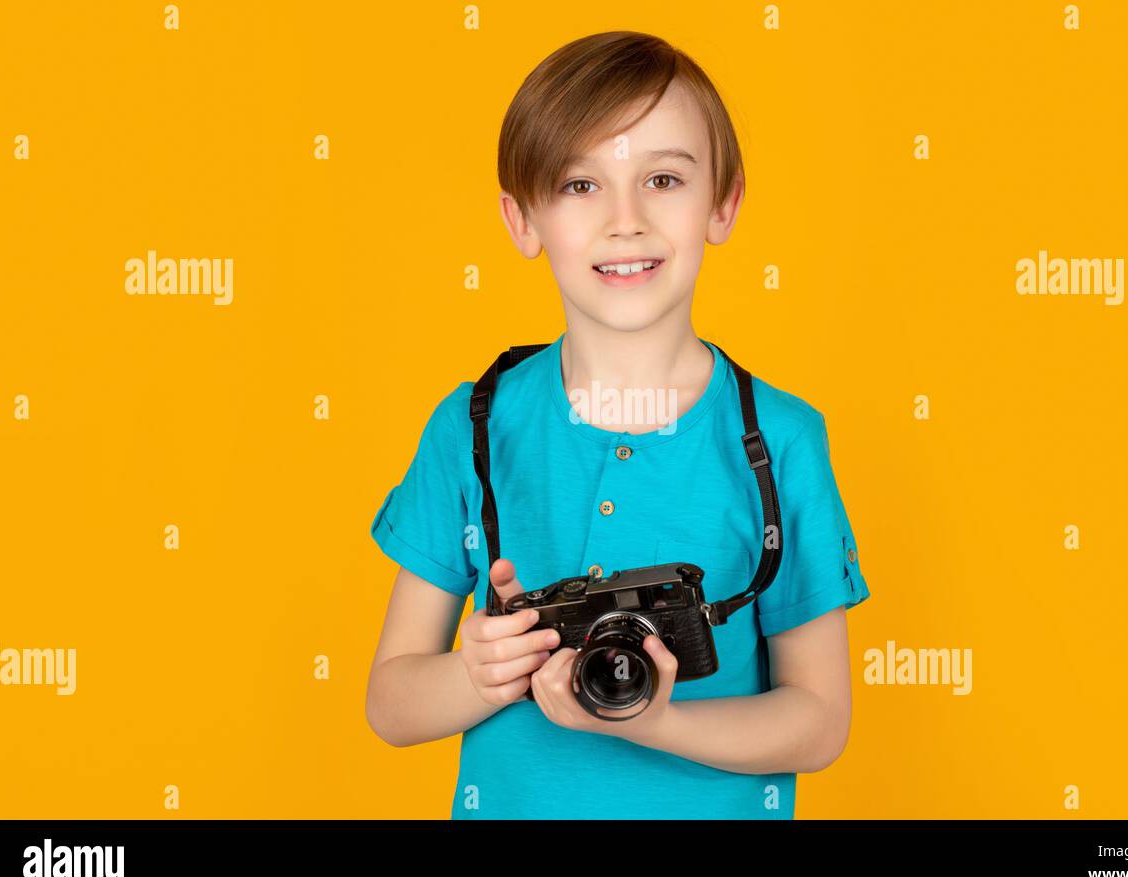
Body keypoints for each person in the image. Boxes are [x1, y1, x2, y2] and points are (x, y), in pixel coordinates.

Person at [365, 30, 871, 819]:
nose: (625, 219)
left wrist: (657, 719)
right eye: (579, 185)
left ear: (724, 202)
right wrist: (477, 671)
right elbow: (391, 702)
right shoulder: (474, 426)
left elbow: (819, 719)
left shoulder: (781, 440)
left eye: (663, 178)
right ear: (522, 220)